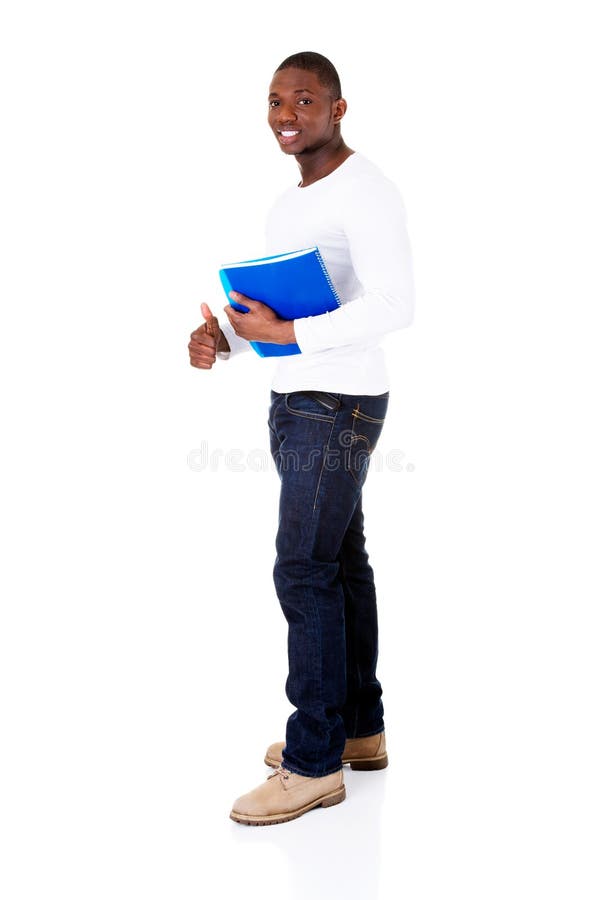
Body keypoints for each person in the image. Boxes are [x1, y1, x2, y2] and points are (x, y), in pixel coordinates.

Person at [188, 51, 414, 826]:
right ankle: (356, 730)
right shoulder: (290, 203)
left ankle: (312, 761)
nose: (287, 113)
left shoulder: (366, 191)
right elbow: (286, 312)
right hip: (300, 399)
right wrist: (230, 338)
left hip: (337, 405)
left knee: (304, 570)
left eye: (305, 99)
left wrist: (284, 329)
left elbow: (392, 304)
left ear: (337, 109)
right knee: (340, 564)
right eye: (276, 100)